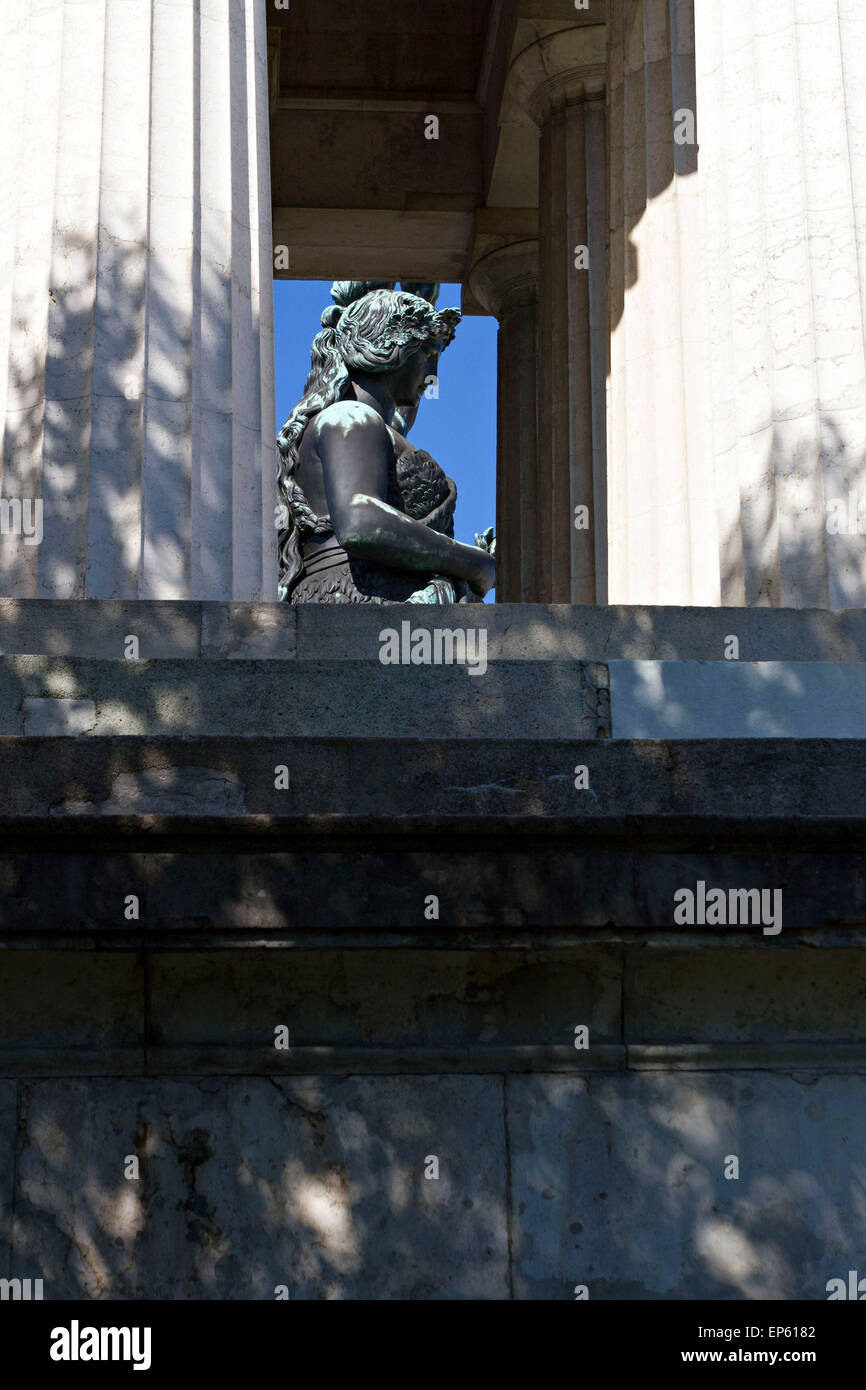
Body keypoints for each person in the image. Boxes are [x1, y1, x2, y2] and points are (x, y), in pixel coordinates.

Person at [276, 283, 496, 604]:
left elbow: (399, 422)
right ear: (392, 349)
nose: (433, 374)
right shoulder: (351, 418)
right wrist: (473, 562)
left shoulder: (368, 424)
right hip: (358, 603)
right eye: (428, 355)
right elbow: (360, 522)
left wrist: (420, 297)